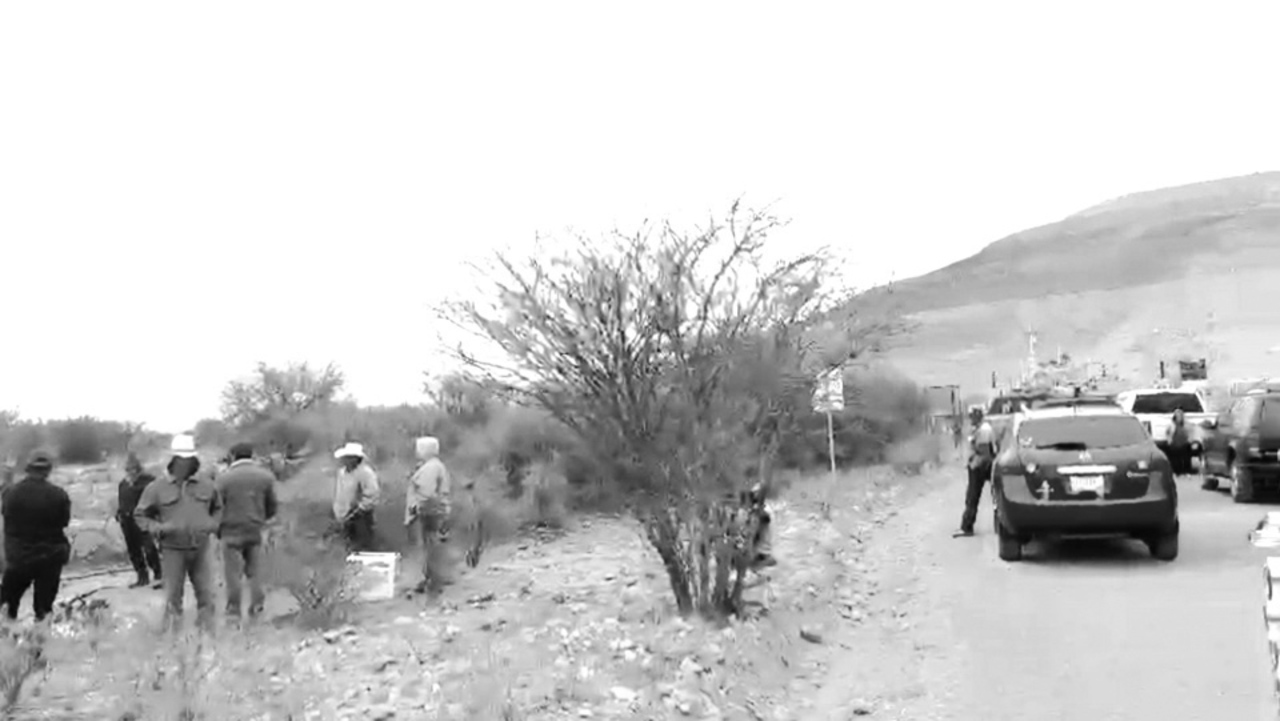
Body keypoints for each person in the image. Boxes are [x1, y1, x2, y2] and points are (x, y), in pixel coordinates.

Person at [134, 434, 222, 633]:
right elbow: (140, 515)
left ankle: (208, 639)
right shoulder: (156, 488)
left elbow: (218, 507)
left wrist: (213, 524)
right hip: (172, 550)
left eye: (188, 459)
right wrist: (158, 528)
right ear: (173, 460)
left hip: (201, 548)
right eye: (181, 459)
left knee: (207, 596)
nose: (185, 463)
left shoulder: (207, 485)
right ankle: (173, 642)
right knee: (173, 597)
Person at [0, 451, 71, 622]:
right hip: (51, 557)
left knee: (7, 604)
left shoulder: (11, 493)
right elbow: (64, 522)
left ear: (27, 469)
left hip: (19, 558)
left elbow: (6, 516)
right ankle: (39, 645)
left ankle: (8, 640)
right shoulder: (59, 494)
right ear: (48, 471)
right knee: (44, 608)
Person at [215, 441, 278, 626]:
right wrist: (262, 519)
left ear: (232, 456)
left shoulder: (223, 479)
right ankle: (257, 609)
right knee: (256, 573)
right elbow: (273, 505)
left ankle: (234, 612)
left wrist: (218, 528)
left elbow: (216, 506)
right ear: (252, 455)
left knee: (233, 574)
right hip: (255, 529)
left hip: (230, 530)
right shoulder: (265, 477)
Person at [406, 436, 454, 594]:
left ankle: (433, 581)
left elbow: (426, 492)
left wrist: (416, 508)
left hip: (430, 511)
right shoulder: (434, 466)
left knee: (430, 546)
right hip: (435, 510)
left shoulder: (431, 467)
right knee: (432, 546)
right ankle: (432, 579)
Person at [116, 454, 163, 589]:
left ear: (138, 469)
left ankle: (159, 575)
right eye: (128, 469)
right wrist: (119, 513)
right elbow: (122, 501)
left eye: (133, 469)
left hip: (143, 519)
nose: (131, 472)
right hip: (127, 520)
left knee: (149, 548)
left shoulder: (148, 482)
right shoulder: (123, 484)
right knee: (133, 550)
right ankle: (142, 576)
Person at [956, 410, 996, 537]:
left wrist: (974, 463)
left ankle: (967, 527)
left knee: (972, 497)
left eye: (972, 417)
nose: (971, 420)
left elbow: (985, 452)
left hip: (981, 466)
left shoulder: (984, 430)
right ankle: (999, 526)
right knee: (994, 497)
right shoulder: (980, 428)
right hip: (983, 465)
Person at [333, 442, 379, 553]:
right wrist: (339, 513)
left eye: (350, 458)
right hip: (344, 515)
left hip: (361, 516)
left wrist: (360, 509)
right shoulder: (342, 473)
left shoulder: (365, 473)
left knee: (363, 546)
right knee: (348, 546)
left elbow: (372, 493)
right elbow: (340, 494)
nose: (347, 460)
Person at [1168, 409, 1192, 475]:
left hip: (1184, 443)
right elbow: (1168, 433)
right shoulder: (1172, 424)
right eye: (1178, 415)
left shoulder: (1185, 424)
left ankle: (1186, 470)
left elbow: (1189, 432)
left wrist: (1189, 440)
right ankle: (1177, 470)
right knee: (1175, 458)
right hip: (1175, 443)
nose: (1179, 417)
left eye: (1180, 415)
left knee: (1185, 456)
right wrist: (1169, 440)